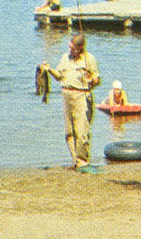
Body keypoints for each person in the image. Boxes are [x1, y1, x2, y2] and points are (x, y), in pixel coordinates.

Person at [42, 34, 100, 170]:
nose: (71, 50)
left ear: (81, 47)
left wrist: (91, 80)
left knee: (82, 132)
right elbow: (59, 76)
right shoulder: (65, 57)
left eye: (73, 48)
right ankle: (76, 161)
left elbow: (97, 79)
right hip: (66, 94)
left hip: (82, 95)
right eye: (69, 47)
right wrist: (49, 69)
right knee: (69, 132)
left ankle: (83, 161)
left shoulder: (89, 59)